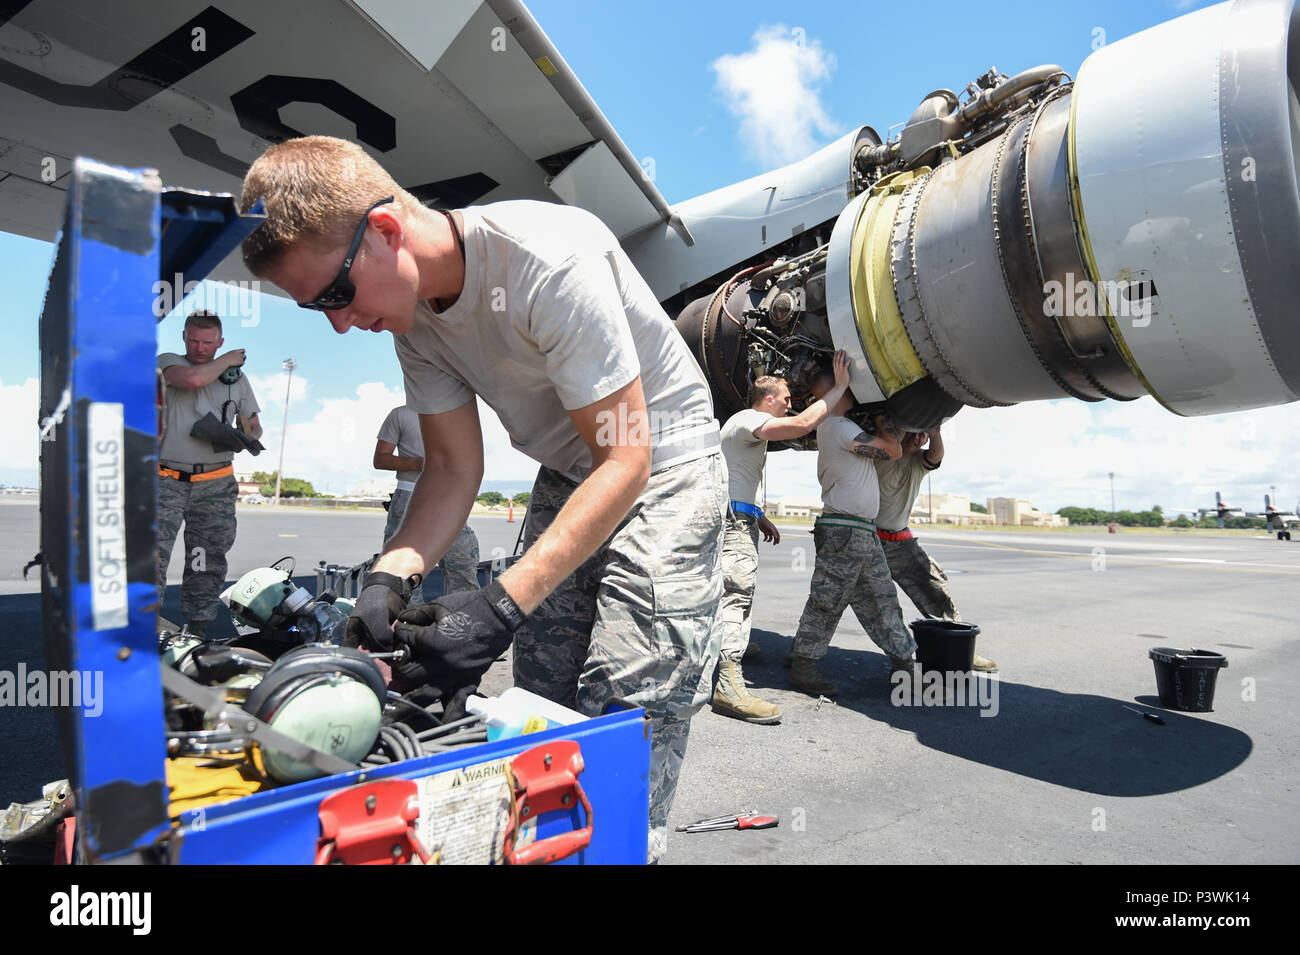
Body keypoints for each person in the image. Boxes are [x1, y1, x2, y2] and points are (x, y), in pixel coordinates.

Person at [239, 136, 726, 863]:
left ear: (385, 230)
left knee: (625, 705)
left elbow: (627, 457)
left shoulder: (548, 259)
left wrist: (498, 603)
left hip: (665, 463)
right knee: (543, 698)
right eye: (319, 311)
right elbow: (451, 468)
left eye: (337, 294)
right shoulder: (412, 322)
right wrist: (388, 578)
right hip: (572, 470)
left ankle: (626, 845)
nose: (341, 322)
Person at [712, 352, 852, 724]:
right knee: (736, 596)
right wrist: (839, 388)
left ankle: (722, 649)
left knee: (730, 592)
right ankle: (727, 682)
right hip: (732, 523)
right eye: (787, 399)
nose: (791, 405)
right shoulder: (750, 419)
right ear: (768, 399)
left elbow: (737, 479)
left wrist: (759, 516)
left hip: (740, 517)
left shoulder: (742, 426)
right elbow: (803, 425)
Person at [788, 378, 916, 697]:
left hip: (861, 530)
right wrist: (882, 414)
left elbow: (894, 451)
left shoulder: (843, 429)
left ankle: (903, 662)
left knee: (882, 596)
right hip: (844, 529)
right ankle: (803, 664)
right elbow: (892, 450)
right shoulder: (835, 426)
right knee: (828, 599)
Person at [156, 310, 262, 634]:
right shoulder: (169, 362)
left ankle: (196, 633)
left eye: (208, 342)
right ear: (184, 338)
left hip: (214, 484)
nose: (200, 348)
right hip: (166, 480)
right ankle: (139, 630)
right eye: (194, 340)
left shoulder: (236, 380)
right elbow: (192, 380)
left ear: (219, 340)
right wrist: (229, 358)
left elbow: (254, 426)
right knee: (150, 559)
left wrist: (241, 435)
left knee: (205, 561)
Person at [874, 427, 997, 670]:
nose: (918, 439)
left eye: (923, 436)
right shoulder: (880, 454)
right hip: (870, 540)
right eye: (913, 433)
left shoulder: (919, 462)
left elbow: (937, 455)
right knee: (842, 594)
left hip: (900, 542)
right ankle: (805, 651)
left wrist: (935, 431)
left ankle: (961, 646)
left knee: (933, 588)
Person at [374, 403, 481, 599]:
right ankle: (405, 624)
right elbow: (380, 459)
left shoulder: (457, 416)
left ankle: (464, 618)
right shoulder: (401, 415)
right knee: (402, 570)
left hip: (448, 498)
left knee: (462, 562)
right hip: (408, 495)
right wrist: (419, 463)